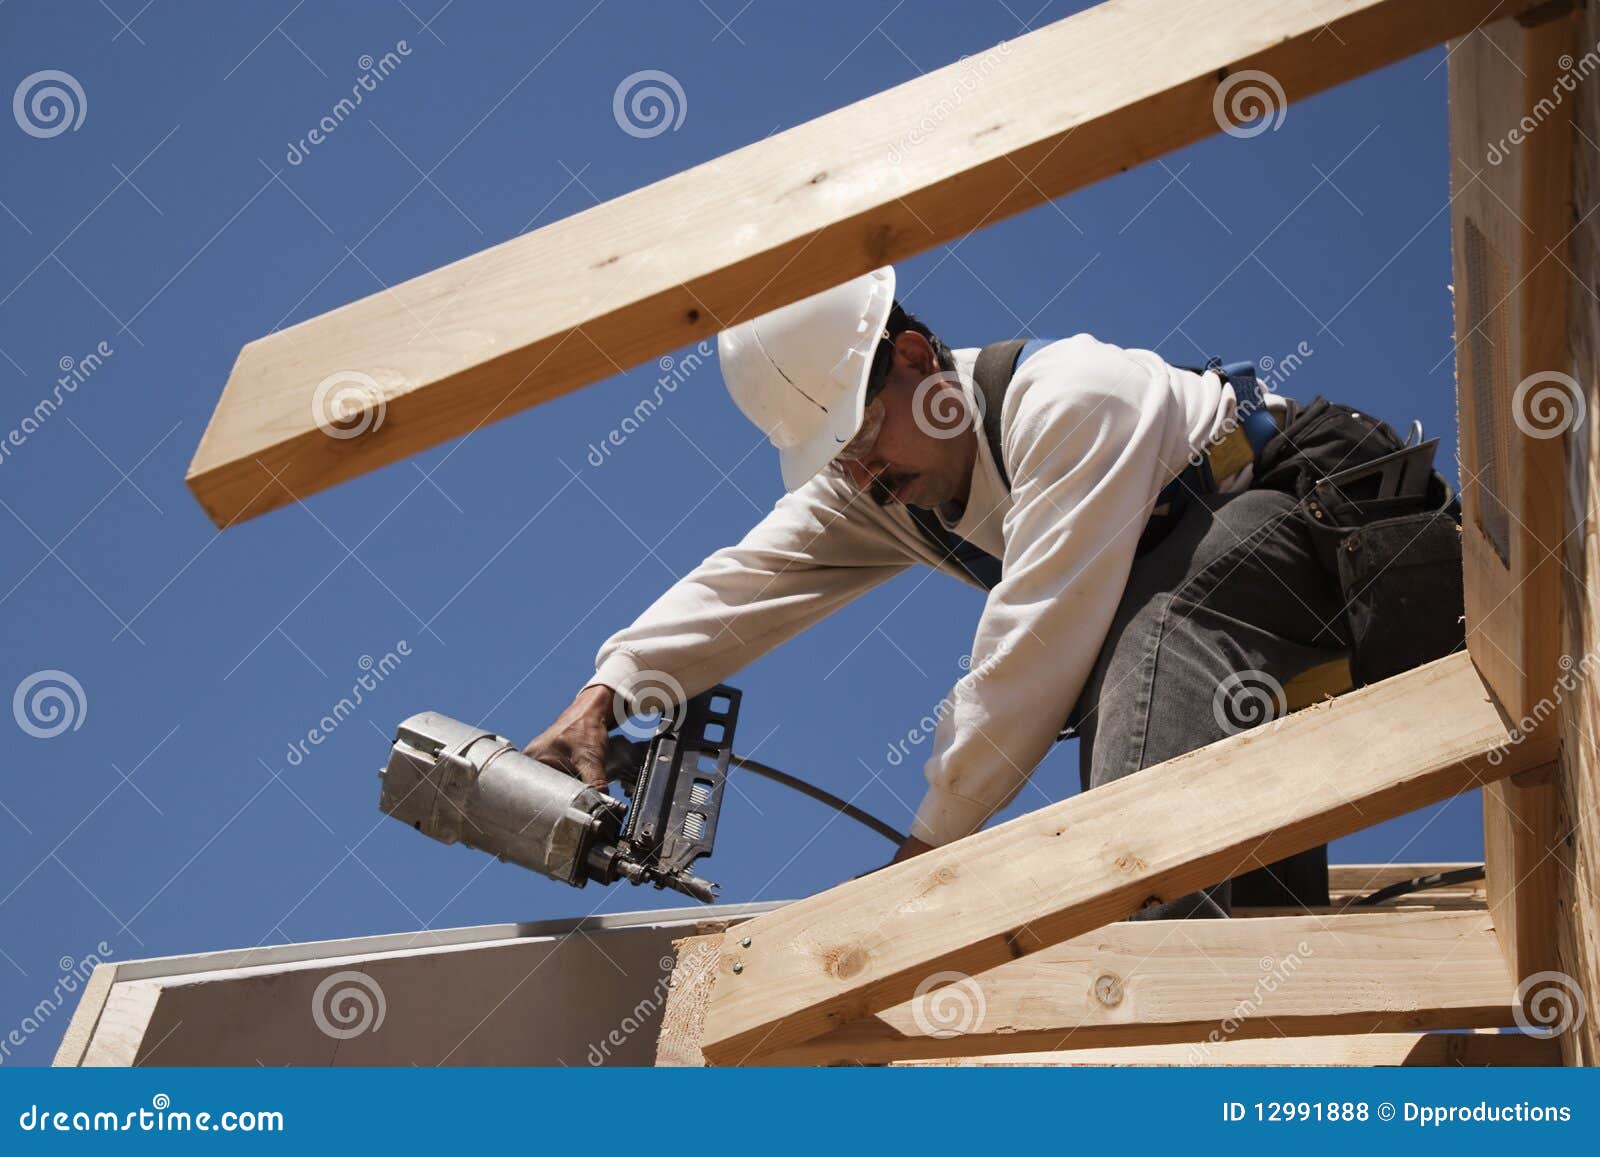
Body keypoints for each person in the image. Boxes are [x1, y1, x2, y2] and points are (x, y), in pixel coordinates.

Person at [523, 265, 1458, 917]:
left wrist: (921, 865)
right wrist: (611, 688)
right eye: (839, 462)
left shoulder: (1071, 400)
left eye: (864, 439)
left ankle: (1162, 1028)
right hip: (1239, 632)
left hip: (1330, 545)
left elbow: (1028, 657)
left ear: (918, 358)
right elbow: (750, 579)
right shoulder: (885, 485)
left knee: (1152, 660)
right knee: (1221, 855)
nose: (864, 478)